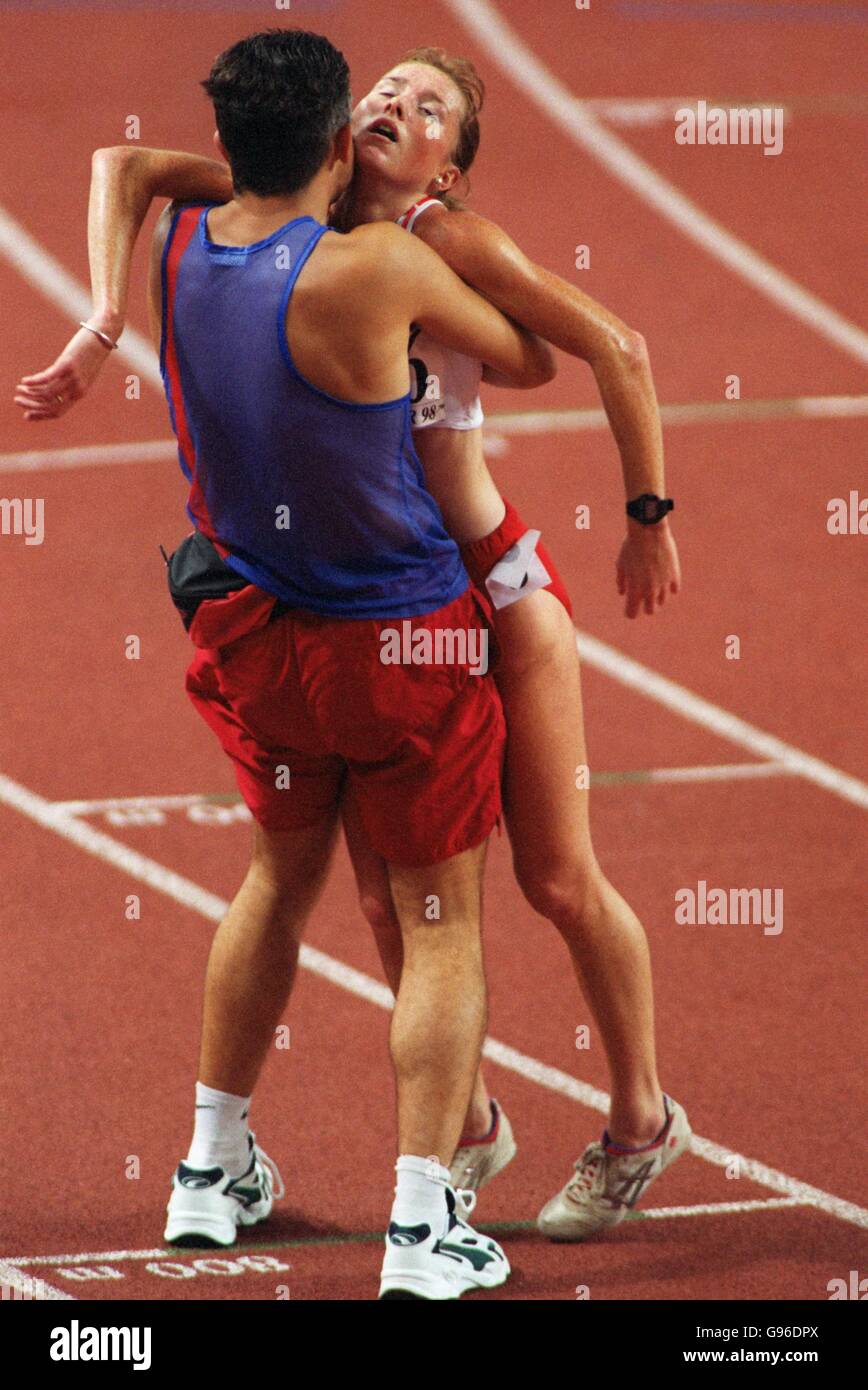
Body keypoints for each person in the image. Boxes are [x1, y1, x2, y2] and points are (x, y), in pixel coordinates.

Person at [16, 44, 690, 1244]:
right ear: (340, 130)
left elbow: (597, 350)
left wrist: (645, 515)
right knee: (386, 895)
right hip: (390, 609)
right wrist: (105, 311)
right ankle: (466, 1124)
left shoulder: (445, 243)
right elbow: (127, 163)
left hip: (488, 587)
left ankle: (639, 1117)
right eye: (385, 87)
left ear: (452, 167)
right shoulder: (312, 212)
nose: (396, 103)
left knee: (551, 877)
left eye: (431, 107)